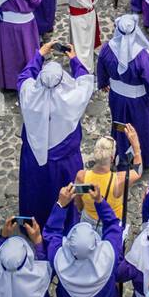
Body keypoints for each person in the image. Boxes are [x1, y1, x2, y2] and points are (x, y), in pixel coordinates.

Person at [44, 183, 124, 297]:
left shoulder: (59, 261)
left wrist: (61, 205)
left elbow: (51, 234)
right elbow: (113, 226)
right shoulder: (108, 256)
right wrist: (100, 202)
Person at [17, 46, 94, 225]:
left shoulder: (29, 95)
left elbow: (24, 77)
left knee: (36, 194)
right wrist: (74, 59)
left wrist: (39, 55)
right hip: (65, 161)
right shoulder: (72, 99)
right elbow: (85, 81)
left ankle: (35, 225)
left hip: (35, 160)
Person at [96, 12, 149, 168]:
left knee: (120, 127)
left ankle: (122, 158)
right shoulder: (140, 56)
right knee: (144, 128)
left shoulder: (107, 49)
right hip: (139, 101)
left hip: (117, 98)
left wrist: (103, 83)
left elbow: (101, 67)